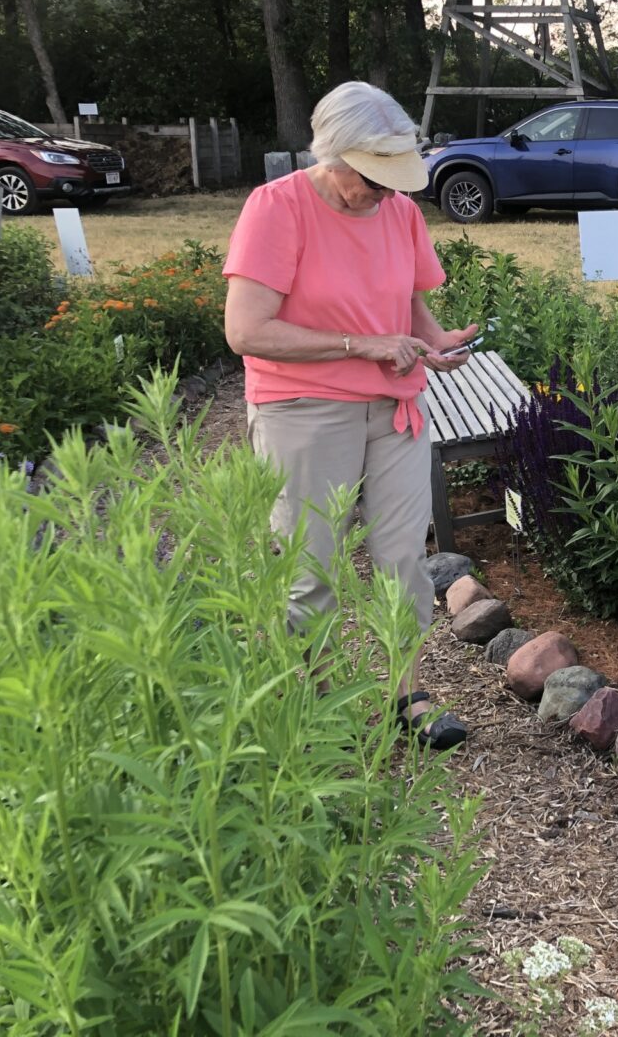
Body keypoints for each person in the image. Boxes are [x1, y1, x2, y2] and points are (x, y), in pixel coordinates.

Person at [224, 81, 475, 750]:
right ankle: (318, 706)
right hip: (302, 409)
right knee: (310, 565)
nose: (384, 193)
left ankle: (407, 695)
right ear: (329, 155)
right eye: (372, 178)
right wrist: (360, 345)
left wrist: (436, 339)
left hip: (393, 406)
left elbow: (410, 297)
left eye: (394, 181)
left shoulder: (398, 211)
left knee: (403, 560)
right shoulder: (276, 209)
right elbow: (246, 331)